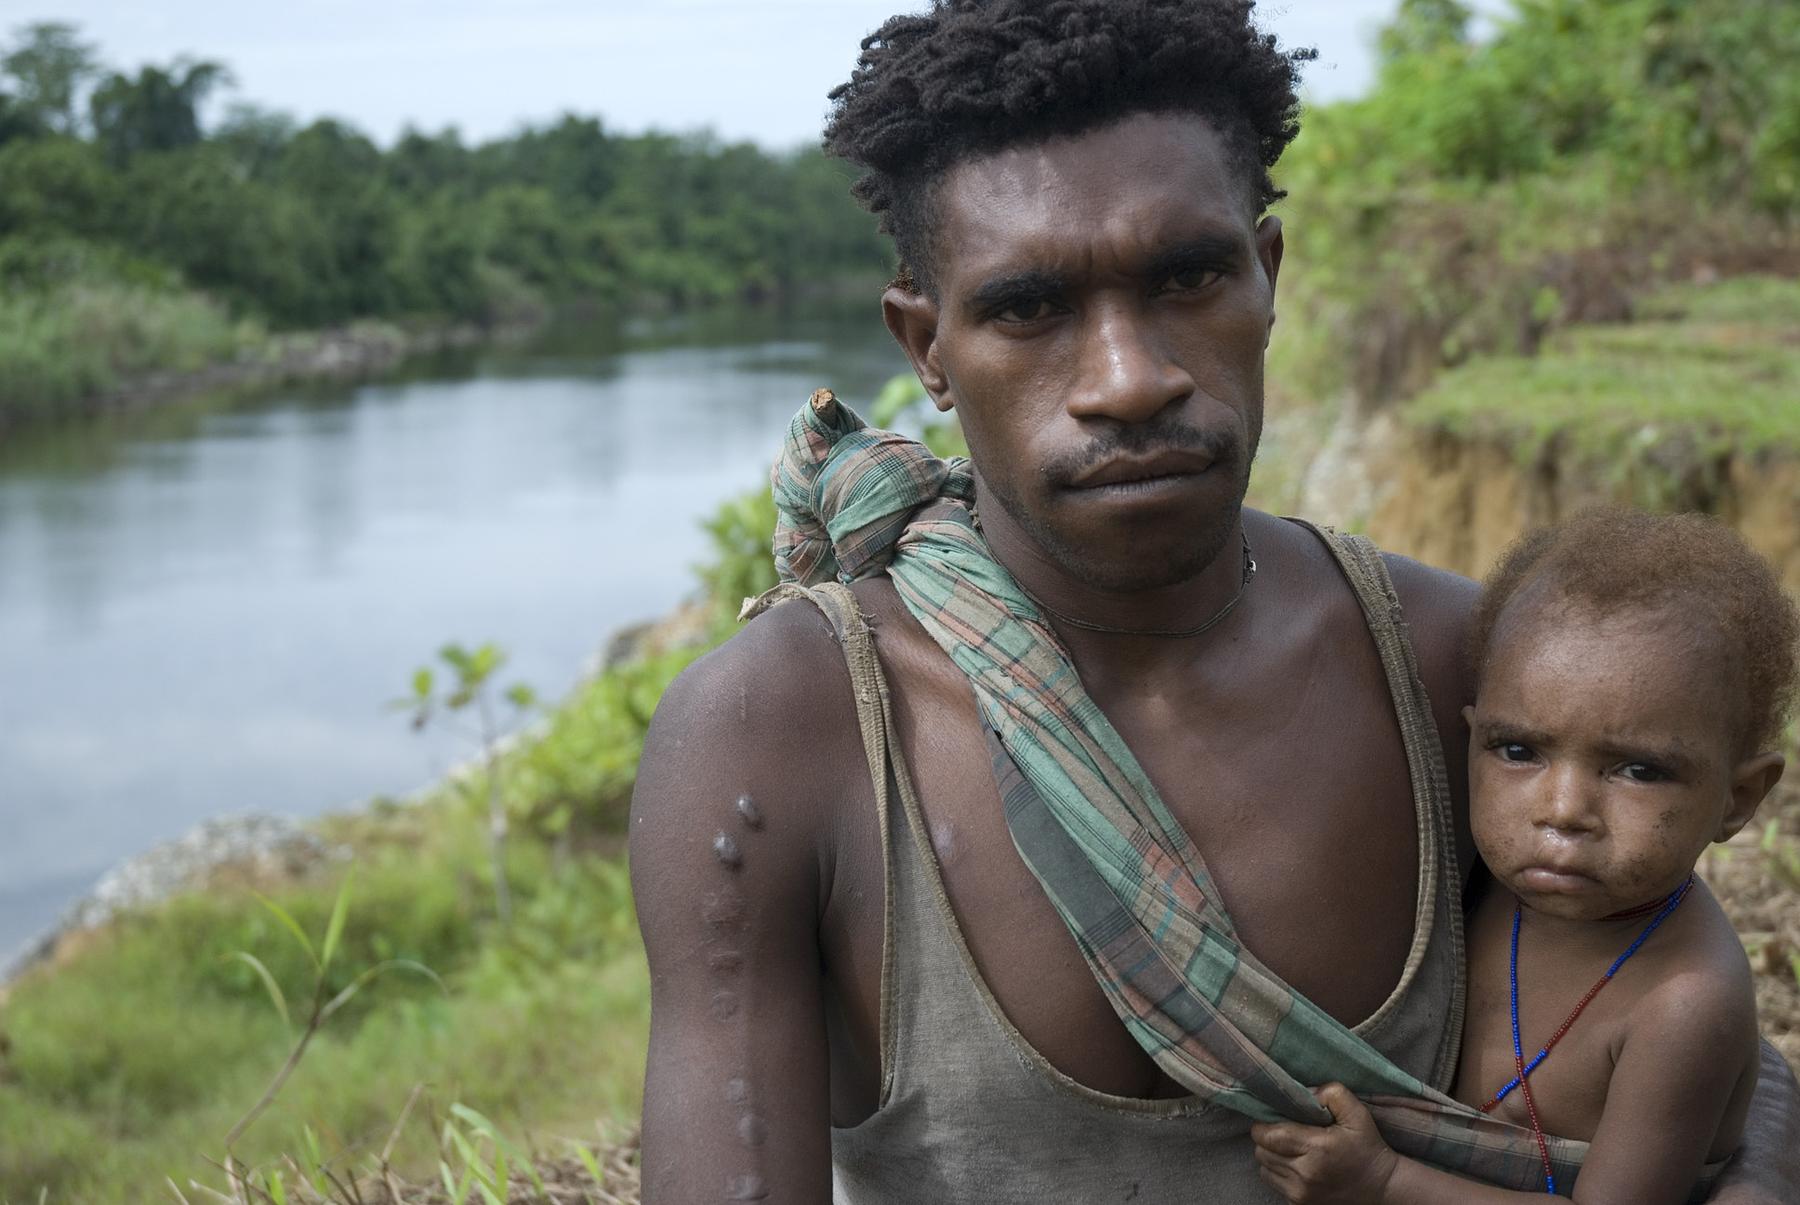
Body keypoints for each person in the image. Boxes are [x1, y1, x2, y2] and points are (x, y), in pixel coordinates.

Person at [628, 3, 1800, 1201]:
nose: (1131, 379)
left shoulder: (1459, 672)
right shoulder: (778, 738)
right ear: (926, 343)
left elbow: (1700, 1033)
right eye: (1029, 307)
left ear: (1267, 275)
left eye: (1189, 276)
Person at [1249, 510, 1798, 1203]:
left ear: (1739, 797)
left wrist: (1384, 1178)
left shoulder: (1681, 1006)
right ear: (1470, 742)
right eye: (1518, 751)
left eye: (1637, 769)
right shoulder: (1471, 885)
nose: (1563, 809)